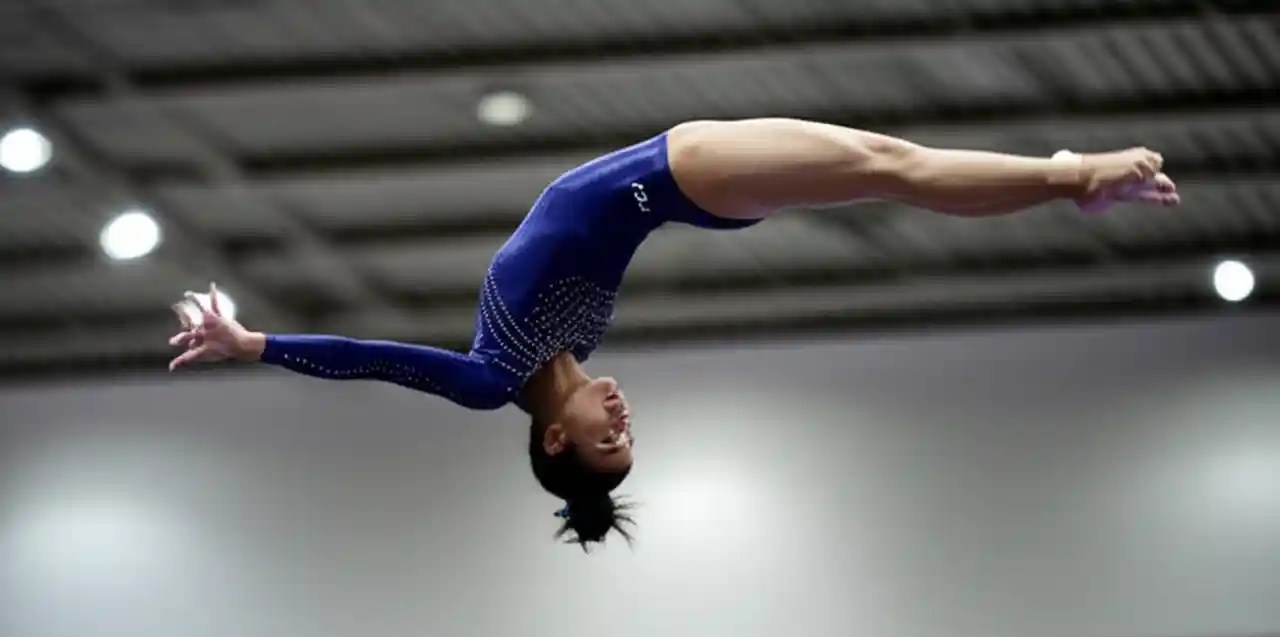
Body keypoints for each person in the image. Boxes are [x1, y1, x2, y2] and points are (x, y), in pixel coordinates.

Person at [167, 117, 1180, 548]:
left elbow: (376, 361)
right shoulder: (570, 357)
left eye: (608, 436)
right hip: (677, 183)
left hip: (671, 179)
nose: (620, 415)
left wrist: (257, 346)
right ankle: (1066, 178)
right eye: (628, 434)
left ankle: (1067, 179)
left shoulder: (488, 377)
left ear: (552, 440)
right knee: (888, 167)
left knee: (888, 165)